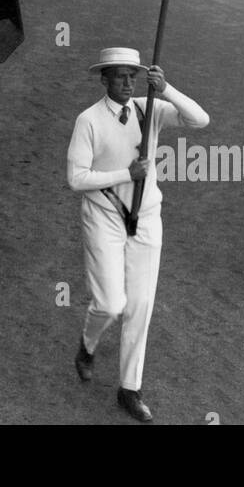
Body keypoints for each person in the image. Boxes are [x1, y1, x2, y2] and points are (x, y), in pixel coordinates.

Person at [68, 47, 209, 422]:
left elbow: (200, 120)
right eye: (120, 76)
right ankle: (87, 345)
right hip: (104, 218)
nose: (129, 82)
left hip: (147, 220)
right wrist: (125, 175)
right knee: (111, 304)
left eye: (134, 75)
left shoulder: (151, 110)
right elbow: (76, 178)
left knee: (140, 307)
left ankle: (129, 389)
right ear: (104, 79)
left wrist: (167, 89)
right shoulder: (89, 120)